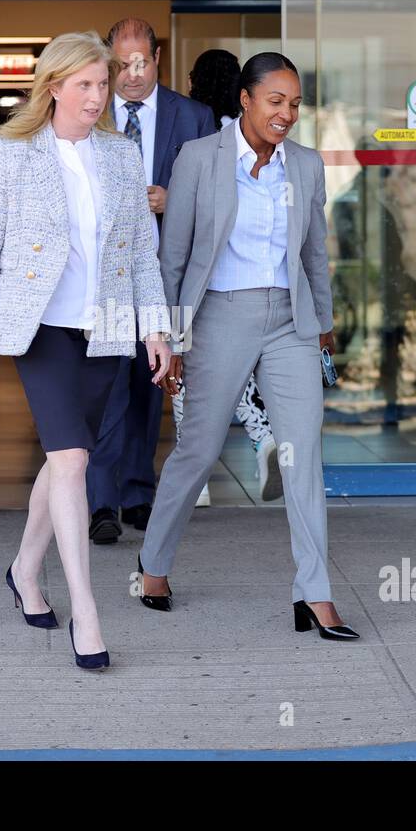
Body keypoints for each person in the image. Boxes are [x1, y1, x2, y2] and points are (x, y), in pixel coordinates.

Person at [0, 30, 173, 669]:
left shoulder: (121, 154)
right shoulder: (12, 150)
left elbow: (139, 253)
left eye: (103, 84)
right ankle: (87, 610)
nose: (97, 95)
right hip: (43, 329)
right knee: (75, 459)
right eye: (84, 84)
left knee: (62, 462)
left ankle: (25, 568)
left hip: (105, 328)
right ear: (54, 87)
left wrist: (155, 329)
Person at [137, 52, 359, 641]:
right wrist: (173, 337)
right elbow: (174, 256)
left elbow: (314, 254)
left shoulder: (306, 166)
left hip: (290, 321)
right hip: (220, 316)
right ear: (245, 98)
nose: (287, 113)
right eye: (275, 101)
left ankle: (315, 593)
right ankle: (153, 562)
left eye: (295, 103)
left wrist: (324, 326)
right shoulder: (199, 158)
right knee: (200, 448)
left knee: (303, 452)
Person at [85, 17, 215, 545]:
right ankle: (101, 502)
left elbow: (218, 196)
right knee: (108, 386)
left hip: (168, 279)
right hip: (109, 279)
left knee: (151, 382)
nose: (131, 75)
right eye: (121, 64)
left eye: (140, 62)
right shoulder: (90, 115)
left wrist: (173, 201)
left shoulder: (196, 116)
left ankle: (139, 491)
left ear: (158, 59)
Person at [178, 48, 282, 506]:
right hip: (244, 273)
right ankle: (263, 439)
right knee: (235, 373)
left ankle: (196, 477)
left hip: (201, 274)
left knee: (187, 375)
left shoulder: (198, 135)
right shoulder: (243, 133)